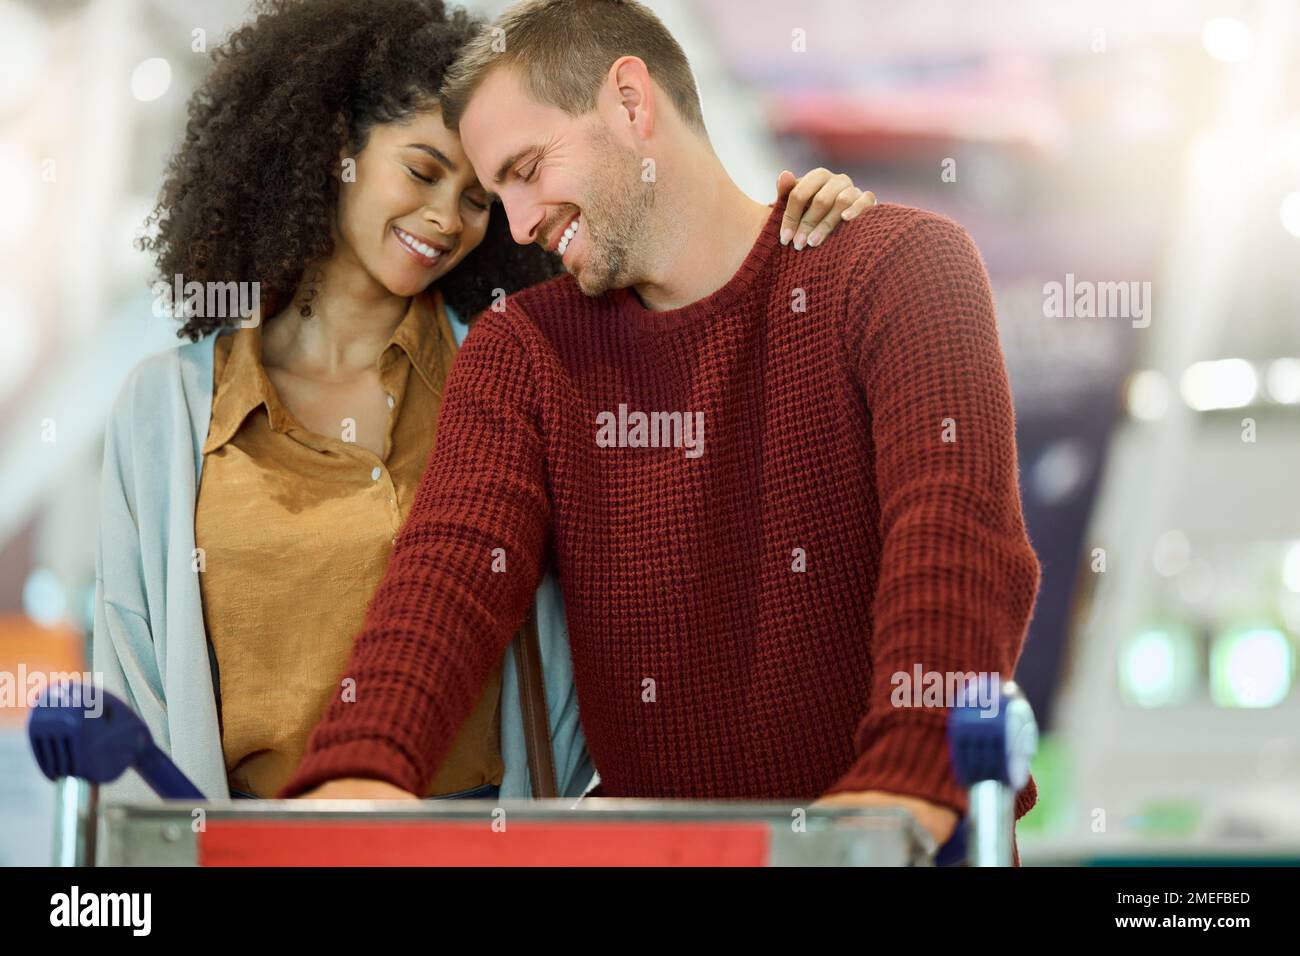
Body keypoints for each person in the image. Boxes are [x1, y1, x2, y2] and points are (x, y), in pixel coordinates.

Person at [282, 0, 1041, 856]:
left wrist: (899, 789)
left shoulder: (898, 268)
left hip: (908, 843)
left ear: (632, 103)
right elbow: (450, 571)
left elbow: (956, 539)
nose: (522, 224)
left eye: (527, 168)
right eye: (501, 196)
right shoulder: (526, 351)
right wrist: (360, 766)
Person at [93, 0, 875, 804]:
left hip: (483, 839)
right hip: (248, 847)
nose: (447, 218)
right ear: (334, 152)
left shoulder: (521, 370)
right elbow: (135, 673)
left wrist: (809, 238)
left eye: (480, 197)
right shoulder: (170, 410)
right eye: (424, 171)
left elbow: (706, 432)